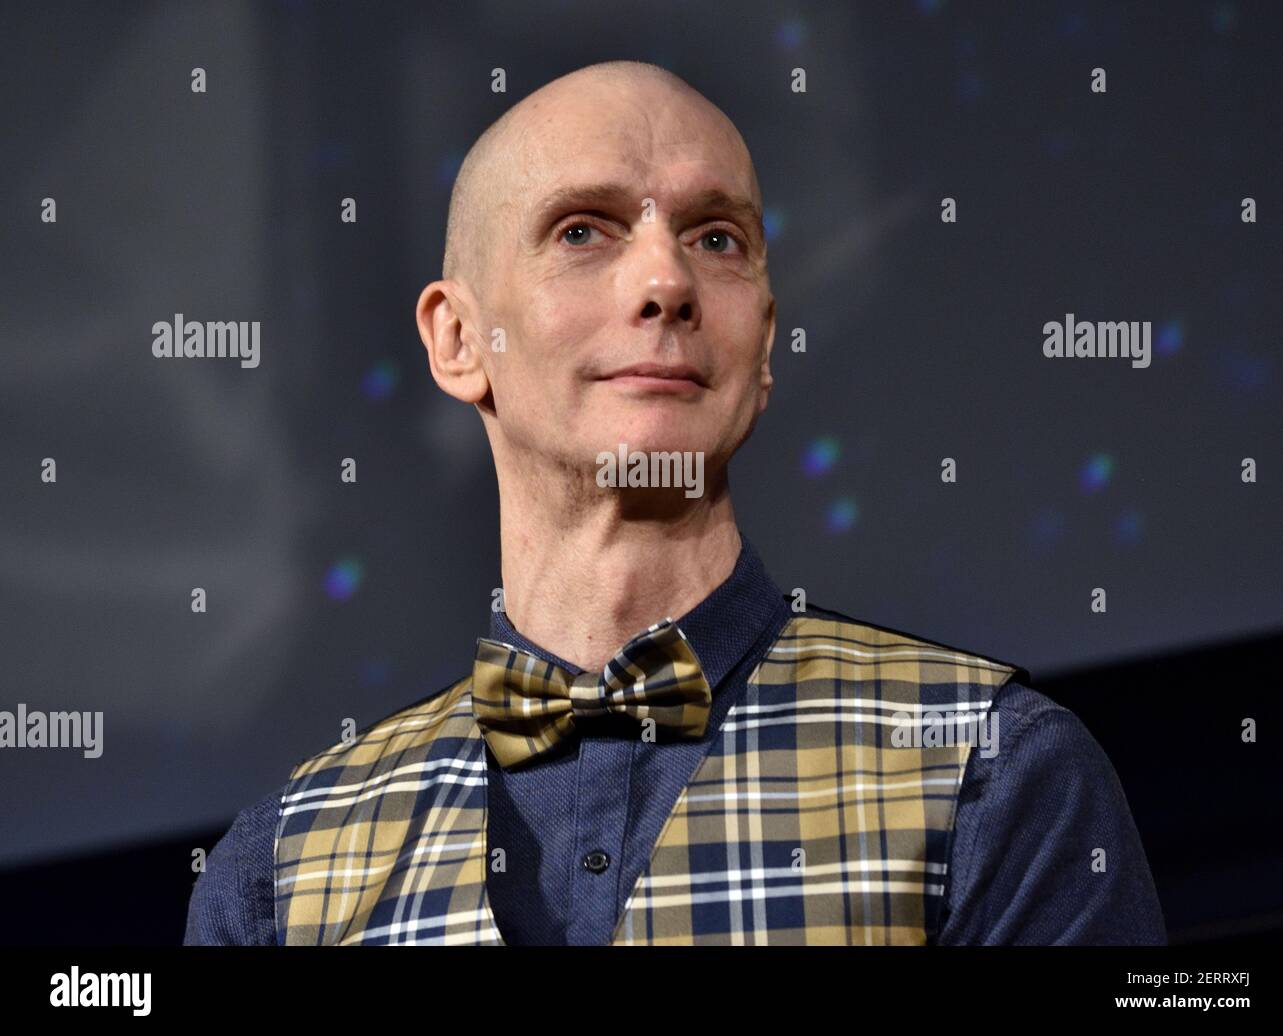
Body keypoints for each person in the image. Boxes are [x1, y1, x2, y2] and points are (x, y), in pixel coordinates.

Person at [185, 60, 1166, 946]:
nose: (666, 280)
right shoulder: (279, 877)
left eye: (715, 237)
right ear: (455, 340)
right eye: (582, 229)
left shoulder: (998, 776)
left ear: (765, 343)